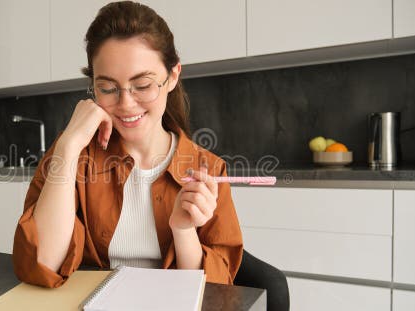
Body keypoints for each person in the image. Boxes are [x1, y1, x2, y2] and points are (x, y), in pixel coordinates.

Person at [12, 1, 243, 288]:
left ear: (172, 76)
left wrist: (184, 231)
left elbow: (216, 291)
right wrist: (69, 146)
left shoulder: (207, 168)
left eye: (143, 85)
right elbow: (40, 265)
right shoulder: (74, 153)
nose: (125, 104)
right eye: (107, 88)